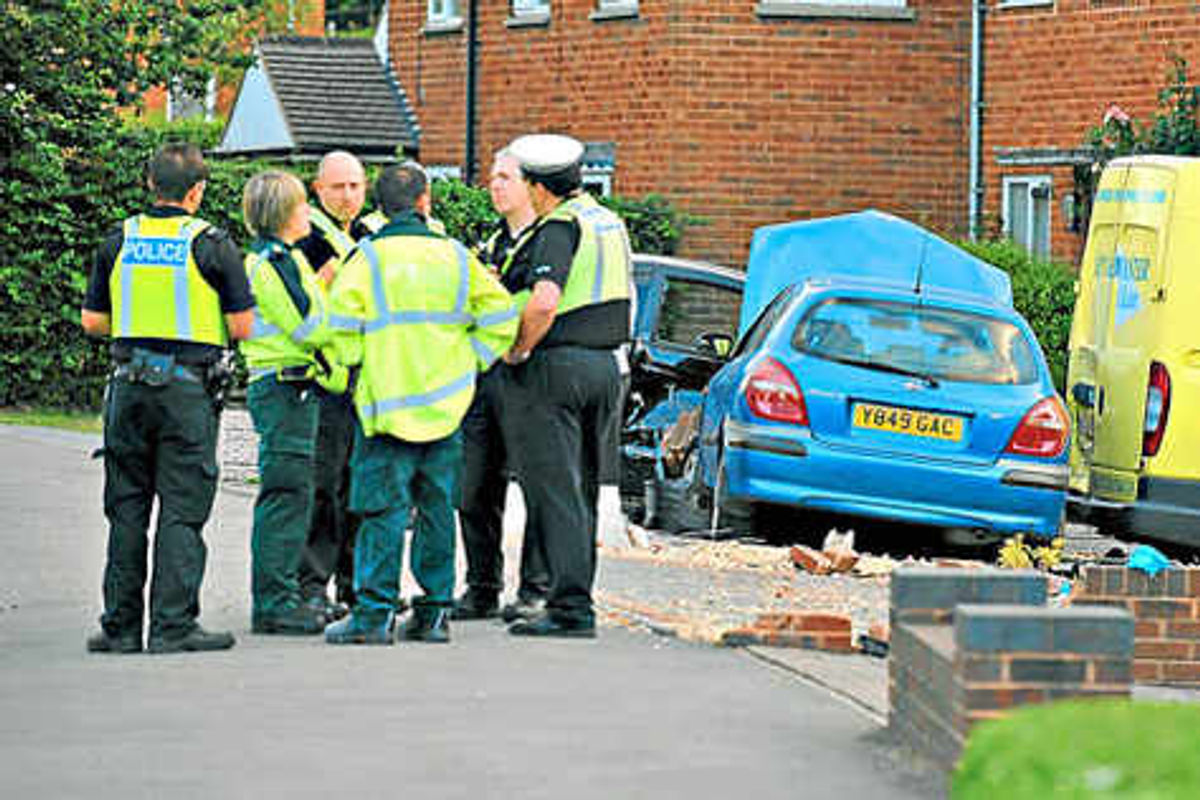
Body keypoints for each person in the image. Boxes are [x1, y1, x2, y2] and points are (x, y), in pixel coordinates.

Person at [324, 162, 517, 645]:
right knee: (436, 511)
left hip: (386, 408)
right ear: (425, 201)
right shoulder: (456, 257)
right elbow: (500, 314)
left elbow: (340, 331)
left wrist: (358, 364)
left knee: (382, 511)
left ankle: (374, 615)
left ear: (379, 206)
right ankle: (433, 615)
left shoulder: (366, 259)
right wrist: (471, 362)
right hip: (446, 408)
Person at [81, 143, 254, 654]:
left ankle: (119, 628)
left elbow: (93, 322)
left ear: (149, 184)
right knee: (182, 506)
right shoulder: (213, 244)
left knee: (127, 507)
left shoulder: (120, 239)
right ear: (197, 191)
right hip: (186, 390)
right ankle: (173, 624)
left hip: (127, 386)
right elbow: (242, 325)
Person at [500, 134, 634, 639]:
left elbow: (543, 302)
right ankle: (578, 595)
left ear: (537, 187)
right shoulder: (608, 220)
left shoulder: (559, 224)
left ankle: (570, 608)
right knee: (582, 492)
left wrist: (518, 348)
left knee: (554, 492)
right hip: (604, 367)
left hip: (558, 367)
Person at [240, 170, 348, 635]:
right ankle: (275, 603)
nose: (309, 213)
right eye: (303, 204)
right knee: (287, 494)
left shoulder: (288, 259)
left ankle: (282, 597)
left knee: (296, 492)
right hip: (285, 388)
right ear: (284, 212)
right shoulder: (275, 262)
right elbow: (310, 325)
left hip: (295, 387)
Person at [451, 148, 550, 622]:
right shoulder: (489, 243)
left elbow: (539, 302)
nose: (494, 185)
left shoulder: (545, 243)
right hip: (485, 377)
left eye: (505, 177)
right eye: (492, 177)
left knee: (535, 484)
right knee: (473, 487)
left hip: (527, 373)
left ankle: (534, 588)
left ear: (531, 186)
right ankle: (481, 585)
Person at [294, 151, 376, 619]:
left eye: (355, 187)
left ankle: (355, 584)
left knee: (358, 486)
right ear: (318, 189)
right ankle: (312, 584)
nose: (348, 196)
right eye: (338, 187)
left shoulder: (366, 236)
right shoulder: (308, 236)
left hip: (362, 381)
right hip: (324, 381)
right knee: (323, 486)